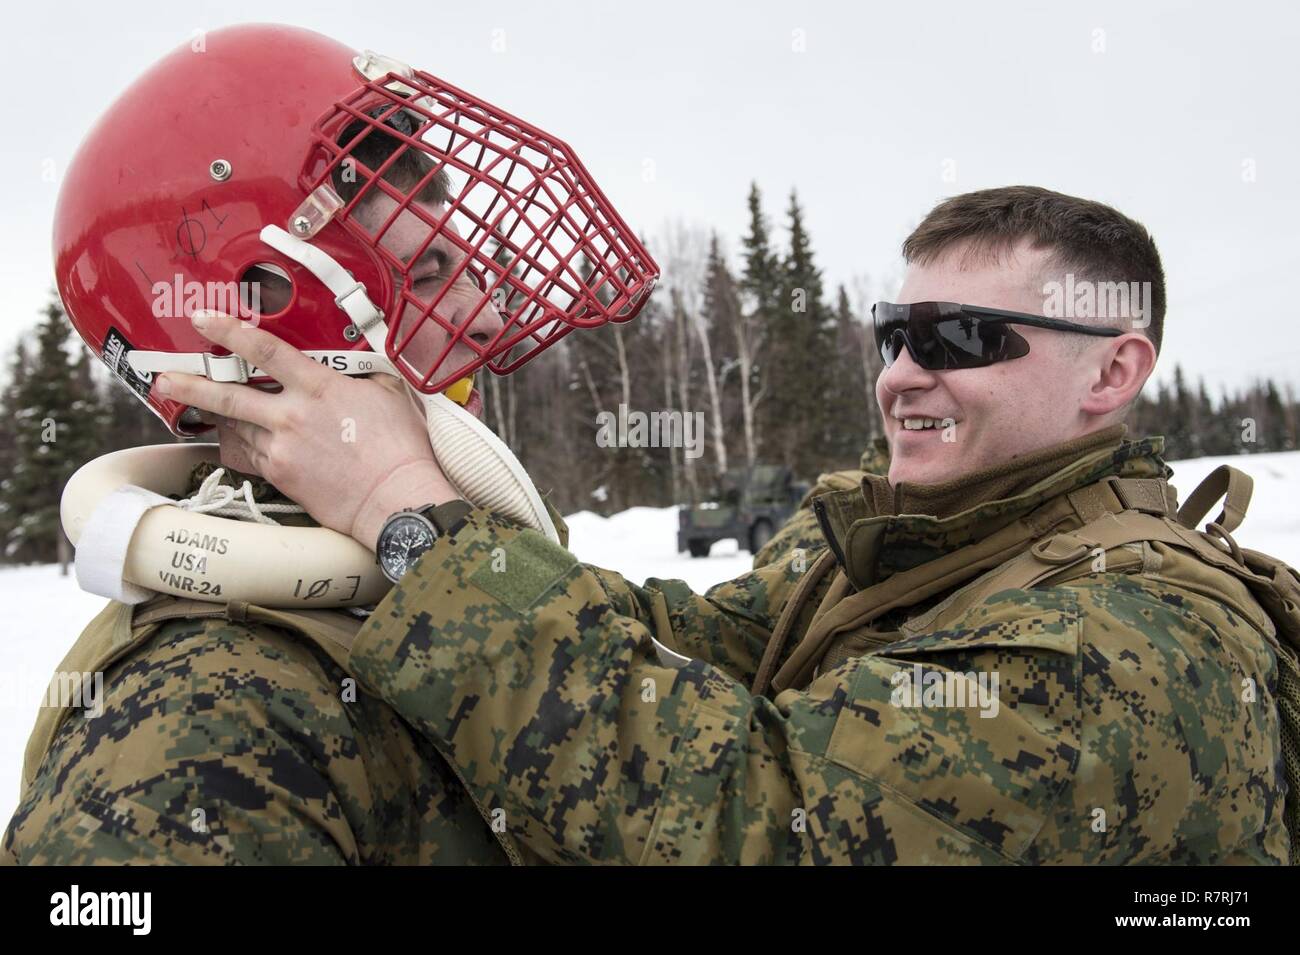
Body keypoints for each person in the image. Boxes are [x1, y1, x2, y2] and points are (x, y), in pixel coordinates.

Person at [31, 181, 1290, 866]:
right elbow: (677, 647)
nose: (905, 373)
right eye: (894, 335)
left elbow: (756, 816)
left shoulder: (1134, 648)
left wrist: (401, 514)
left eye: (961, 339)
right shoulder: (892, 545)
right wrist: (400, 549)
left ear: (1112, 374)